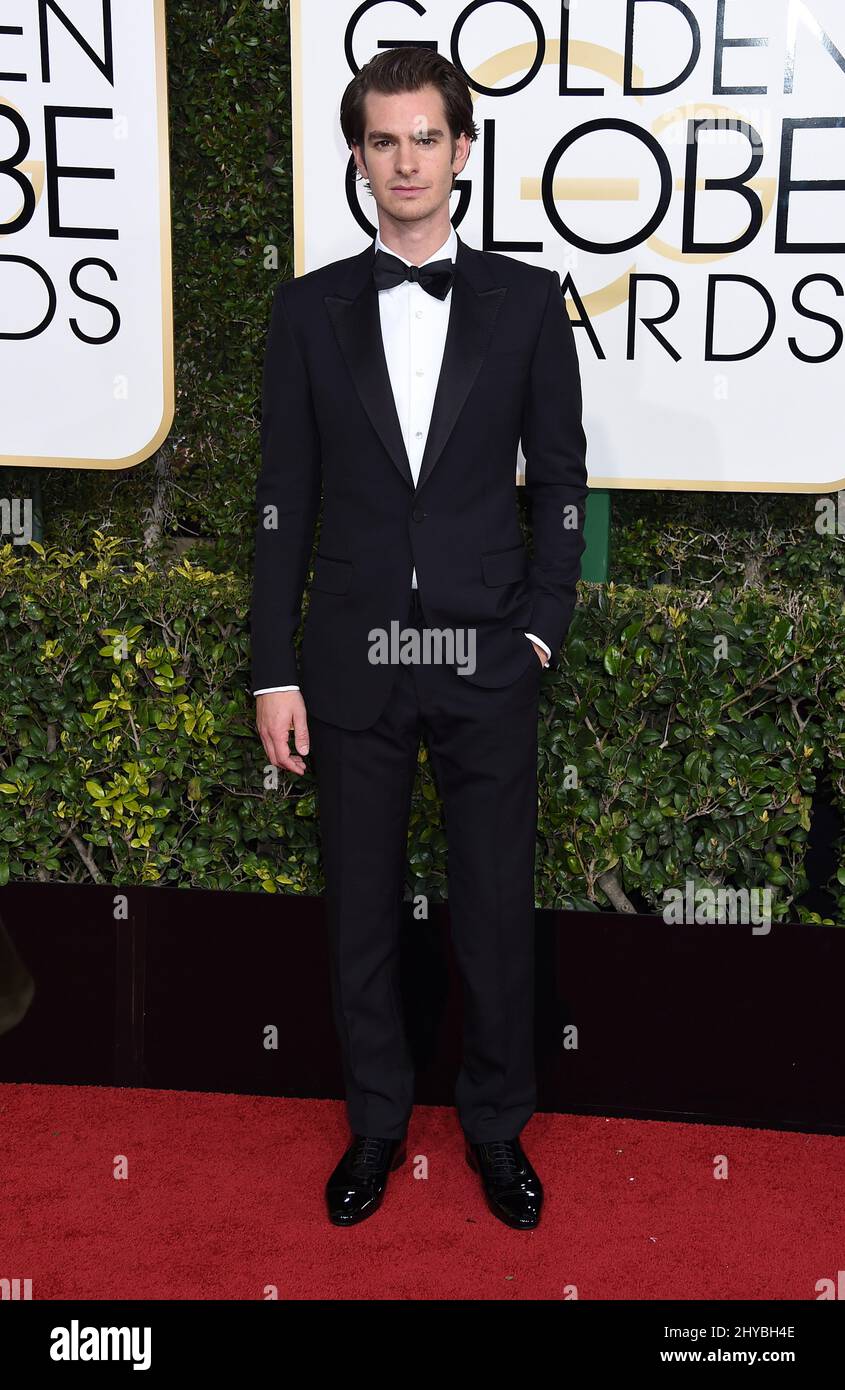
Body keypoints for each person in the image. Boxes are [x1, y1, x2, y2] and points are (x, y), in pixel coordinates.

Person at [251, 46, 588, 1229]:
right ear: (357, 155)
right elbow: (280, 498)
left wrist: (541, 628)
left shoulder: (525, 298)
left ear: (459, 150)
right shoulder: (306, 310)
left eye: (424, 137)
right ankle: (377, 1124)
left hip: (488, 651)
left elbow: (559, 480)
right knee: (359, 908)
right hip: (349, 659)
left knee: (493, 904)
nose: (405, 160)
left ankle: (495, 1128)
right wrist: (273, 666)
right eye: (382, 140)